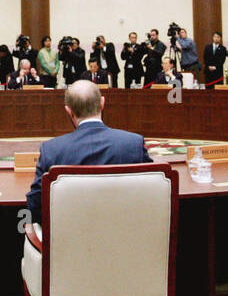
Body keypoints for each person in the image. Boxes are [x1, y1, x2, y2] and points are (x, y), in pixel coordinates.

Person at [26, 80, 152, 224]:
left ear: (69, 110)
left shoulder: (51, 150)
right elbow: (152, 194)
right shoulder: (133, 144)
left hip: (70, 241)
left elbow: (35, 206)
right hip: (127, 236)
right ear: (102, 103)